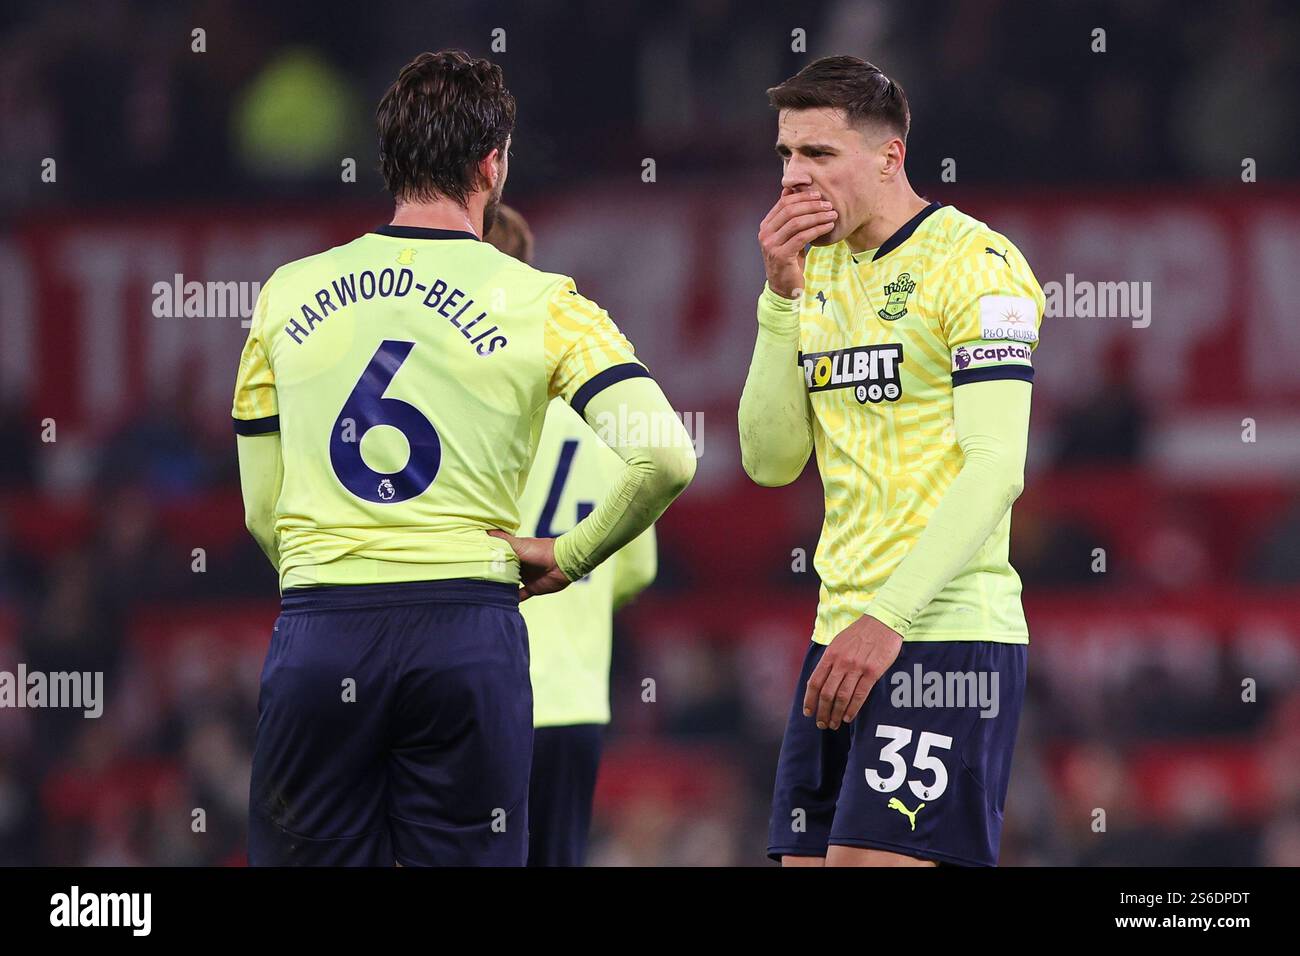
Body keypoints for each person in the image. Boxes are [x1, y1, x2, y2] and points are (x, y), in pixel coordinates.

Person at [233, 50, 694, 866]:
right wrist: (568, 556)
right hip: (466, 634)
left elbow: (261, 514)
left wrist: (332, 579)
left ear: (389, 160)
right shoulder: (545, 302)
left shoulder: (284, 294)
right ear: (492, 165)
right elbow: (665, 457)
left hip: (320, 633)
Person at [739, 55, 1044, 867]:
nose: (793, 177)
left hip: (942, 634)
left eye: (819, 154)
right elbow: (769, 461)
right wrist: (778, 297)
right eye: (786, 155)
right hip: (838, 635)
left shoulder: (978, 266)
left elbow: (996, 467)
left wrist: (889, 620)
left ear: (889, 157)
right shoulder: (814, 271)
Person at [486, 204, 660, 866]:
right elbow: (638, 569)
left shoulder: (468, 404)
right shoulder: (606, 404)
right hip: (575, 700)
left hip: (479, 683)